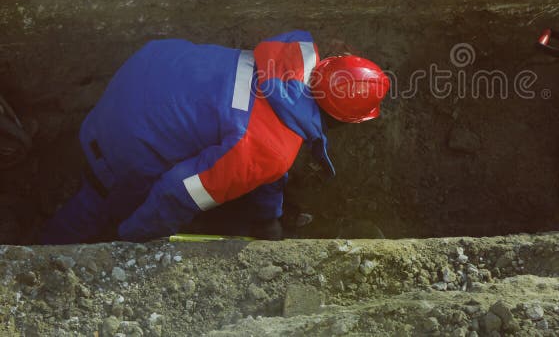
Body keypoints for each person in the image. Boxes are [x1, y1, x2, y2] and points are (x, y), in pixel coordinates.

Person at [39, 30, 390, 244]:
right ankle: (43, 253)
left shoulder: (285, 66)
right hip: (124, 143)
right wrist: (132, 241)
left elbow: (265, 151)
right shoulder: (270, 149)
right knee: (100, 203)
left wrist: (268, 216)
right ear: (342, 120)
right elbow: (177, 193)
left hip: (144, 75)